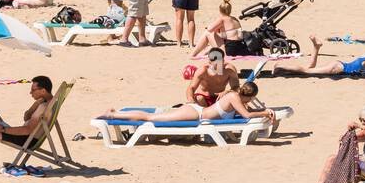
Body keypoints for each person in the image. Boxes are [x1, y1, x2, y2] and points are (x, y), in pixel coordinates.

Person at [97, 81, 277, 125]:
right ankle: (113, 114)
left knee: (152, 117)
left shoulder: (234, 96)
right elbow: (246, 115)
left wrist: (262, 111)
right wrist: (264, 113)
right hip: (195, 114)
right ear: (249, 96)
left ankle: (115, 112)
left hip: (196, 111)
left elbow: (246, 111)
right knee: (150, 118)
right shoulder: (233, 97)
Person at [270, 36, 365, 77]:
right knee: (306, 71)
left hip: (339, 65)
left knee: (310, 68)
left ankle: (316, 47)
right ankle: (279, 65)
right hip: (338, 68)